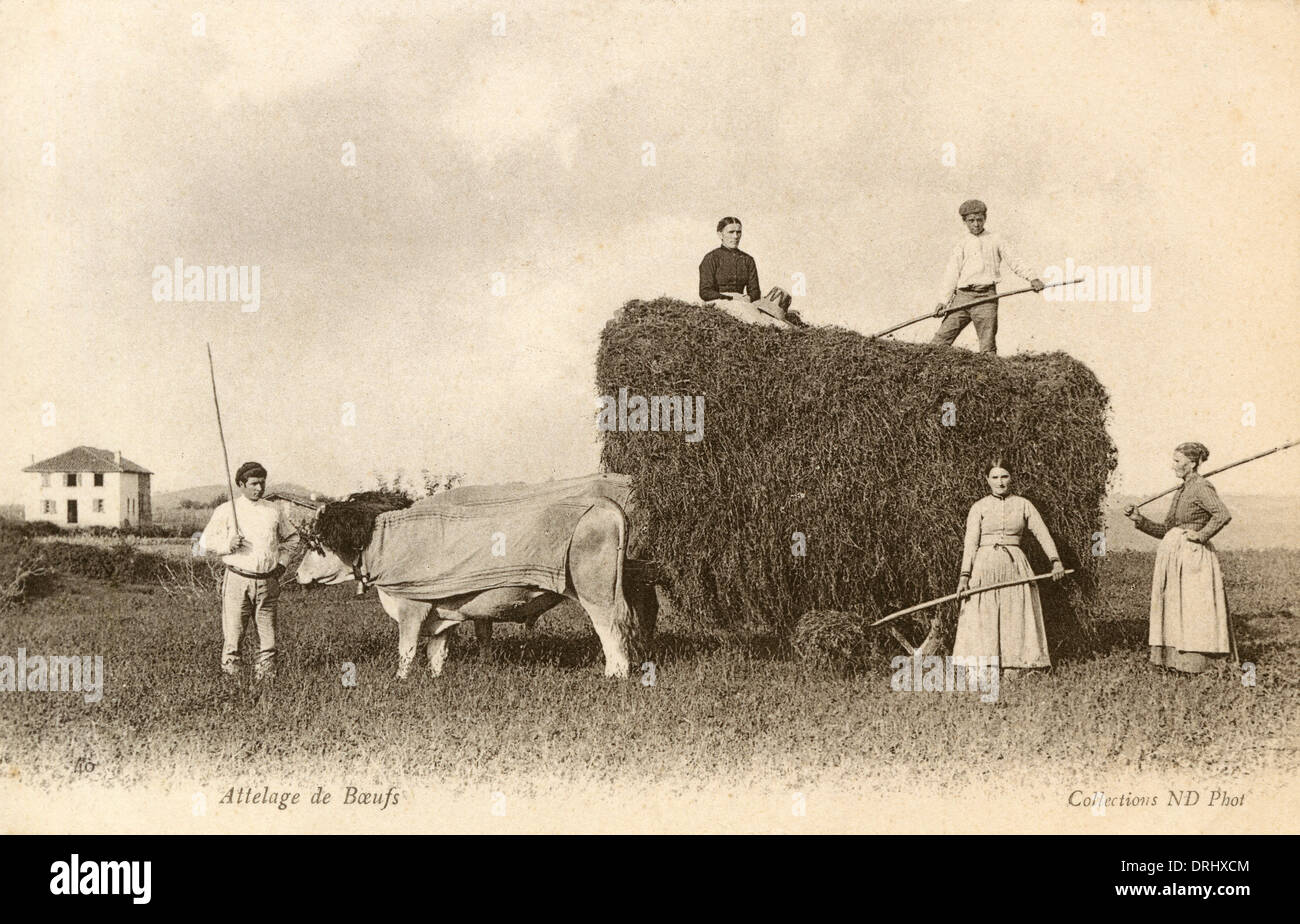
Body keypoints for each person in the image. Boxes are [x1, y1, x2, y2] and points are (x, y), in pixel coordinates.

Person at [1124, 442, 1236, 674]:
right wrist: (1139, 519)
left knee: (1194, 608)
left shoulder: (1201, 487)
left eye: (1177, 461)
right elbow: (1167, 529)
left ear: (1192, 463)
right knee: (1177, 608)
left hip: (1193, 559)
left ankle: (1200, 663)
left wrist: (1201, 535)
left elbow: (1222, 514)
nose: (1172, 465)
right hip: (1175, 558)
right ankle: (1175, 661)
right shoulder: (1182, 490)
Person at [953, 458, 1066, 677]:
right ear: (987, 480)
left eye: (1004, 476)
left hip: (1015, 565)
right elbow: (970, 543)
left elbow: (1042, 533)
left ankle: (1017, 665)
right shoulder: (979, 507)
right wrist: (964, 576)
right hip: (985, 566)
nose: (1000, 482)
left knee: (1015, 612)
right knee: (984, 611)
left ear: (1011, 477)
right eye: (995, 477)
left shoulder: (1024, 505)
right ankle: (984, 666)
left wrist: (1055, 561)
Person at [200, 461, 299, 682]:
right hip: (237, 579)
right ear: (240, 484)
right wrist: (228, 544)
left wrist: (282, 564)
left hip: (268, 581)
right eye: (253, 484)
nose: (259, 489)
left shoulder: (274, 510)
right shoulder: (227, 510)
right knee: (234, 633)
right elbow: (205, 541)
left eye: (262, 484)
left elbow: (293, 537)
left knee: (268, 635)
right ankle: (231, 678)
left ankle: (266, 677)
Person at [932, 199, 1045, 354]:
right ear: (964, 221)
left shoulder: (996, 239)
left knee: (987, 347)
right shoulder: (962, 243)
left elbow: (1015, 261)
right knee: (939, 341)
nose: (976, 224)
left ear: (985, 218)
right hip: (963, 297)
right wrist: (943, 301)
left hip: (986, 298)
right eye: (971, 220)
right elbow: (952, 272)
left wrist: (1033, 278)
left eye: (979, 220)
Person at [699, 217, 761, 303]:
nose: (735, 236)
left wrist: (748, 298)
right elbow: (705, 292)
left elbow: (755, 292)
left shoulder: (748, 260)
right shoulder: (711, 258)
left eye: (738, 232)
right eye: (731, 232)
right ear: (720, 234)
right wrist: (731, 298)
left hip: (742, 303)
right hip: (717, 303)